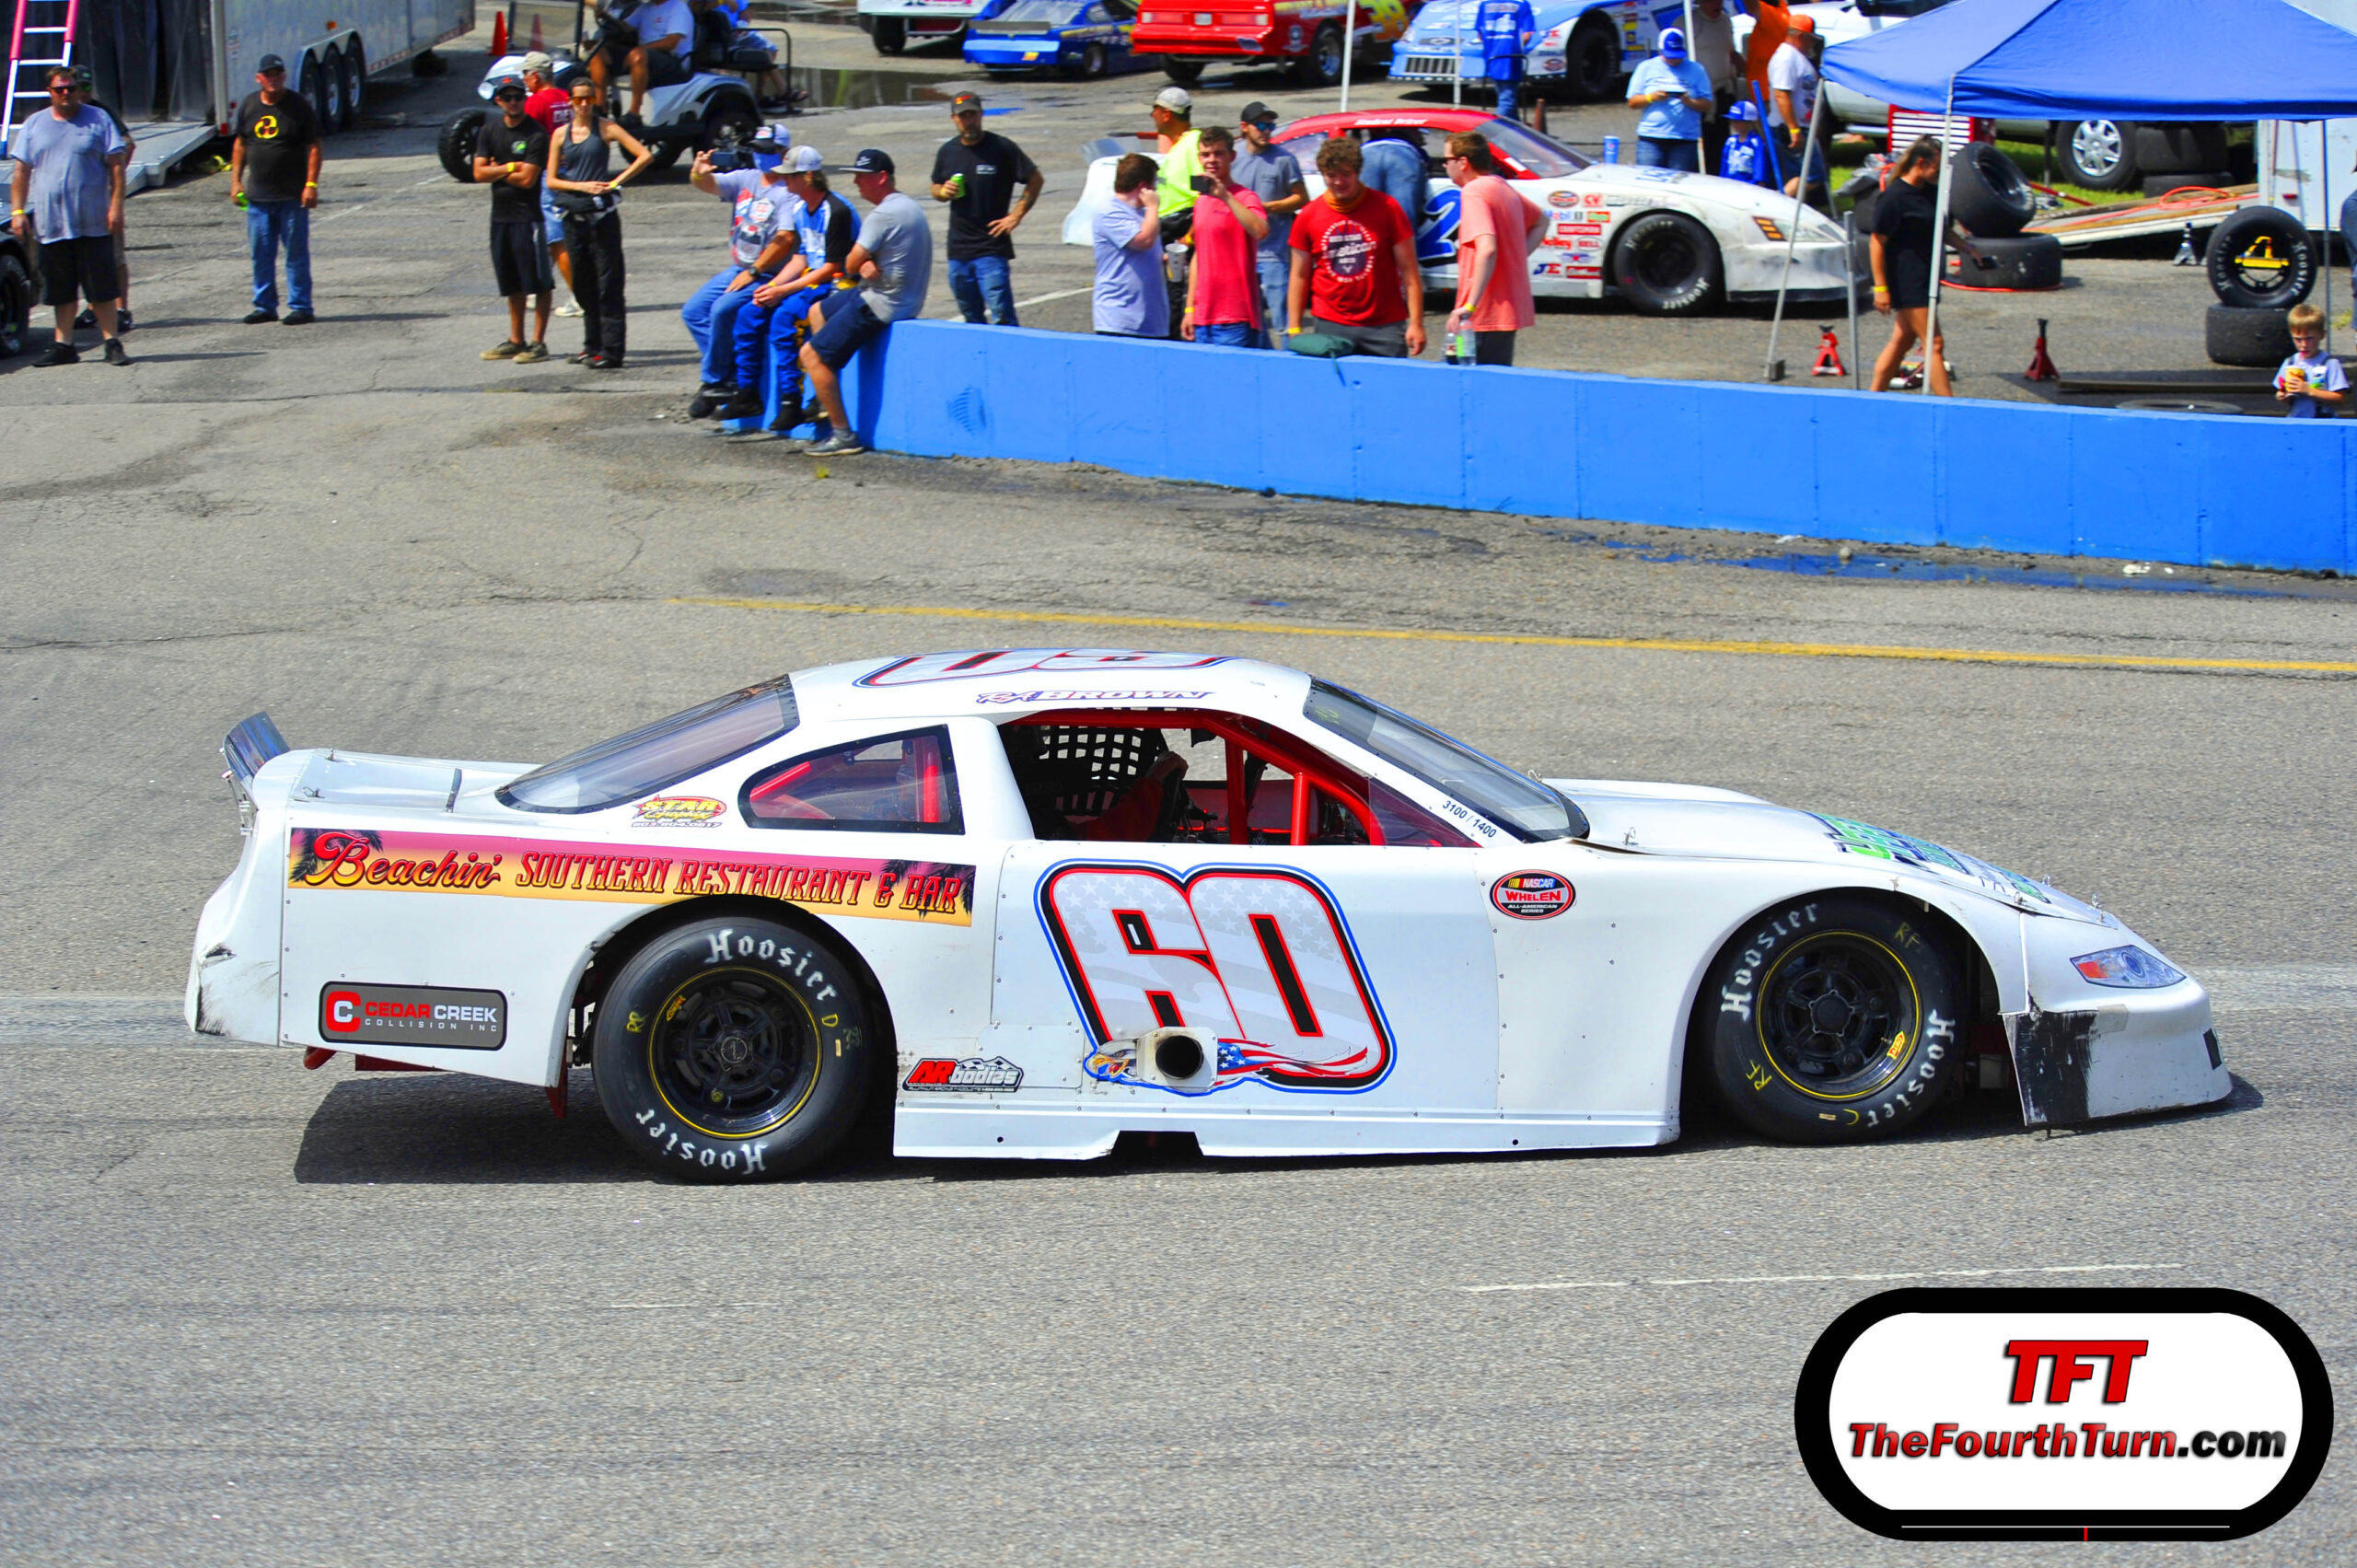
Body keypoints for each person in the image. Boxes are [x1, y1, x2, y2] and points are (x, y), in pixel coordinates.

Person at [796, 148, 930, 457]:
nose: (856, 182)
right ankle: (823, 395)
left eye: (861, 176)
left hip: (881, 303)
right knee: (818, 311)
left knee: (811, 355)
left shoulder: (882, 214)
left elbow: (851, 262)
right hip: (897, 296)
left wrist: (864, 261)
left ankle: (843, 434)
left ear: (881, 178)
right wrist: (866, 262)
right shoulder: (908, 206)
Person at [723, 144, 858, 431]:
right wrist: (771, 287)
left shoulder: (837, 210)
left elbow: (832, 268)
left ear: (808, 177)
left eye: (790, 176)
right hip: (811, 276)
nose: (784, 180)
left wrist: (783, 292)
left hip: (836, 283)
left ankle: (790, 401)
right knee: (751, 311)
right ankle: (747, 392)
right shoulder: (799, 208)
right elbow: (800, 259)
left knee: (785, 317)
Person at [8, 64, 129, 366]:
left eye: (71, 88)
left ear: (79, 90)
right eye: (59, 89)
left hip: (92, 223)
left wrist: (116, 207)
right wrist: (18, 211)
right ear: (50, 92)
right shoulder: (34, 125)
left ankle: (111, 342)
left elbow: (117, 165)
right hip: (52, 224)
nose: (66, 94)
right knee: (60, 289)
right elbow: (22, 172)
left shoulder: (98, 119)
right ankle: (65, 346)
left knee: (100, 287)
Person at [682, 127, 796, 412]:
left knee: (723, 310)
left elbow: (786, 239)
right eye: (757, 149)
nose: (760, 155)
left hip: (768, 272)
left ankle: (714, 381)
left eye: (767, 150)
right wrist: (699, 172)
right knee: (694, 311)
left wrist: (756, 272)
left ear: (784, 153)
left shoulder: (789, 192)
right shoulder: (747, 178)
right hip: (739, 268)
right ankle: (727, 374)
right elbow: (707, 184)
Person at [544, 75, 655, 369]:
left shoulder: (606, 128)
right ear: (569, 102)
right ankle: (591, 346)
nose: (583, 104)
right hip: (573, 216)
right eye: (578, 99)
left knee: (609, 283)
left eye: (589, 99)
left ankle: (612, 351)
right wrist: (583, 187)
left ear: (596, 101)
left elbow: (644, 155)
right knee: (582, 283)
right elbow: (553, 180)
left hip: (602, 219)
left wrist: (615, 182)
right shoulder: (559, 135)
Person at [1286, 136, 1424, 358]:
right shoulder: (1309, 215)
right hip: (1331, 323)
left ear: (1359, 172)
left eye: (1346, 174)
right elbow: (1299, 276)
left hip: (1384, 325)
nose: (1339, 182)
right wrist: (1294, 327)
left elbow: (1410, 272)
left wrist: (1416, 323)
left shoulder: (1388, 208)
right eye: (1332, 175)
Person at [1869, 135, 1983, 397]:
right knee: (1934, 342)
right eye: (1937, 167)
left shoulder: (1931, 193)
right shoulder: (1895, 197)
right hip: (1907, 278)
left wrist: (1967, 248)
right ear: (1921, 163)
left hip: (1927, 275)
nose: (1940, 173)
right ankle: (1949, 406)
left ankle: (1873, 396)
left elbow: (1940, 230)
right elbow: (1877, 242)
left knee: (1902, 341)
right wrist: (1880, 287)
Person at [929, 91, 1042, 327]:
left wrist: (1015, 216)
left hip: (991, 247)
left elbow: (1035, 179)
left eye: (972, 115)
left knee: (1002, 315)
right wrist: (942, 192)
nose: (968, 121)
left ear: (981, 115)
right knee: (970, 317)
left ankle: (1009, 356)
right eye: (963, 116)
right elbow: (935, 186)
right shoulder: (948, 151)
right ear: (954, 118)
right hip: (958, 250)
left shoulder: (1001, 148)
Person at [229, 54, 322, 328]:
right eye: (268, 74)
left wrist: (311, 184)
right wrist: (236, 182)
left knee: (295, 253)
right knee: (261, 253)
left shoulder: (298, 106)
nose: (273, 79)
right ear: (259, 78)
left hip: (292, 197)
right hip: (258, 197)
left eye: (278, 74)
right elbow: (241, 144)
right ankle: (264, 306)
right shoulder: (248, 105)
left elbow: (314, 146)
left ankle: (301, 306)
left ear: (284, 76)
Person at [472, 75, 553, 364]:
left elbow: (529, 179)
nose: (513, 102)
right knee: (511, 281)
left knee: (539, 280)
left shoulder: (536, 134)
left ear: (525, 98)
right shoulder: (489, 130)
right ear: (498, 101)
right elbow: (477, 173)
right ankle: (516, 339)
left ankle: (538, 342)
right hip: (500, 217)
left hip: (528, 217)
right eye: (507, 98)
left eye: (518, 97)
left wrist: (497, 170)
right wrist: (510, 166)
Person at [1443, 132, 1541, 366]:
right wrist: (1515, 256)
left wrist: (1468, 305)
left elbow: (1487, 248)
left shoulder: (1474, 191)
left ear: (1463, 162)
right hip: (1505, 313)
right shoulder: (1500, 186)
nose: (1445, 165)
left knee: (1457, 386)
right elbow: (1541, 221)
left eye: (1446, 159)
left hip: (1480, 316)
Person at [1182, 127, 1269, 348]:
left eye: (1219, 153)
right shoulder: (1201, 200)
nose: (1212, 160)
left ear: (1232, 156)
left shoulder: (1245, 197)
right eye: (1205, 154)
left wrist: (1226, 197)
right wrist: (1190, 309)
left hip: (1236, 317)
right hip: (1203, 316)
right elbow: (1198, 256)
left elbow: (1260, 230)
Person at [1232, 102, 1306, 347]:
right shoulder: (1231, 157)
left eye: (1270, 125)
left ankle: (1287, 364)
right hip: (1240, 252)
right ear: (1245, 127)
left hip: (1275, 252)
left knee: (1283, 319)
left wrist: (1269, 207)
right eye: (1261, 125)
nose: (1266, 131)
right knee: (1251, 319)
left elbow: (1301, 198)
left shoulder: (1284, 160)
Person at [517, 51, 583, 319]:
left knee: (556, 239)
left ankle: (580, 297)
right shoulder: (564, 99)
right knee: (546, 236)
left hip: (548, 174)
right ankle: (536, 289)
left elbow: (524, 140)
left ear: (534, 76)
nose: (523, 81)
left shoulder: (535, 103)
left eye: (525, 75)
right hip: (572, 170)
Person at [69, 66, 134, 331]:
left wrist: (112, 178)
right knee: (81, 258)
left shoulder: (101, 112)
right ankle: (93, 307)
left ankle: (121, 309)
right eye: (76, 88)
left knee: (114, 256)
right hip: (75, 201)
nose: (81, 93)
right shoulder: (60, 116)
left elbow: (128, 144)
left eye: (85, 87)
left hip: (103, 199)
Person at [1090, 153, 1166, 339]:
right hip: (1120, 319)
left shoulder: (1144, 215)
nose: (1156, 190)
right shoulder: (1109, 211)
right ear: (1143, 187)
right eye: (1154, 184)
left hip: (1151, 318)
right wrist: (1154, 207)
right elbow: (1144, 241)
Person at [590, 0, 695, 125]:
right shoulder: (645, 8)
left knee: (637, 55)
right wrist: (605, 17)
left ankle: (634, 114)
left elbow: (671, 43)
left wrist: (641, 49)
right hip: (645, 56)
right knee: (598, 53)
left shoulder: (678, 8)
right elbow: (625, 27)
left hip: (672, 60)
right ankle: (600, 108)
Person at [1150, 86, 1202, 338]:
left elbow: (1205, 192)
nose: (1152, 116)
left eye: (1155, 110)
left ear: (1167, 114)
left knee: (1175, 294)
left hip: (1181, 229)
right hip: (1170, 228)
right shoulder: (1179, 147)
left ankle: (1175, 342)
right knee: (1168, 293)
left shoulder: (1193, 144)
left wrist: (1188, 237)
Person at [1625, 28, 1712, 174]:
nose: (1673, 59)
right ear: (1660, 50)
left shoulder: (1696, 69)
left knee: (1679, 186)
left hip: (1684, 139)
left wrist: (1689, 101)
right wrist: (1651, 97)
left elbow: (1708, 104)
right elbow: (1632, 102)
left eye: (1677, 56)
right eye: (1669, 56)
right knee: (1649, 184)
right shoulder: (1646, 67)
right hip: (1651, 138)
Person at [1770, 12, 1826, 205]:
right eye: (1810, 39)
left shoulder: (1797, 57)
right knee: (1813, 175)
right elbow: (1781, 94)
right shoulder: (1786, 58)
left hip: (1803, 127)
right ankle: (1775, 204)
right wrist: (1794, 129)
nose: (1812, 44)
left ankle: (1792, 212)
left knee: (1803, 175)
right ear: (1801, 36)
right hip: (1790, 129)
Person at [1689, 0, 1742, 172]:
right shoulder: (1688, 22)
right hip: (1698, 94)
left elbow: (1732, 52)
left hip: (1723, 91)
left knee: (1721, 140)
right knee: (1702, 142)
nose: (1716, 4)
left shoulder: (1726, 21)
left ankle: (1719, 176)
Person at [2276, 303, 2348, 418]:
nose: (2304, 345)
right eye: (2298, 339)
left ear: (2321, 335)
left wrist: (2309, 391)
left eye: (2309, 339)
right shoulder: (2290, 362)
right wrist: (2282, 396)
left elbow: (2340, 398)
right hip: (2297, 420)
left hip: (2322, 422)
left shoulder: (2330, 363)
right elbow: (2281, 390)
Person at [1357, 125, 1427, 237]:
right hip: (1403, 157)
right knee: (1403, 223)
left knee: (1365, 223)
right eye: (1418, 133)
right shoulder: (1413, 148)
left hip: (1367, 156)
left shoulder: (1365, 147)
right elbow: (1427, 167)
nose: (1422, 140)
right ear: (1409, 132)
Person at [1473, 0, 1535, 125]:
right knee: (1507, 99)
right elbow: (1527, 35)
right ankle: (1494, 129)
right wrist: (1518, 47)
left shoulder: (1485, 4)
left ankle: (1517, 129)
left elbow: (1480, 34)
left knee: (1505, 95)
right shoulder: (1521, 3)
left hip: (1492, 54)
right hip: (1511, 55)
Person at [1717, 99, 1773, 187]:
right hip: (1729, 187)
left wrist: (1759, 187)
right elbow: (1724, 167)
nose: (1733, 124)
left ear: (1749, 122)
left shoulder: (1756, 143)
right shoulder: (1730, 142)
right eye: (1732, 120)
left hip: (1748, 188)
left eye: (1737, 121)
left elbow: (1760, 170)